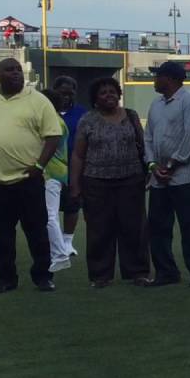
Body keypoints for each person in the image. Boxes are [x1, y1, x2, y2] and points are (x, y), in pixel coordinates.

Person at [0, 59, 62, 293]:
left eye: (17, 69)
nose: (15, 73)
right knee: (2, 236)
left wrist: (39, 165)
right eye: (9, 69)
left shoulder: (38, 100)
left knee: (36, 231)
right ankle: (6, 280)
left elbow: (52, 136)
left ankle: (43, 277)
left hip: (28, 180)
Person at [69, 77, 151, 288]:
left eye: (112, 91)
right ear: (95, 98)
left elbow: (143, 147)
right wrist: (75, 185)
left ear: (119, 94)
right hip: (96, 182)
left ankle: (138, 272)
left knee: (134, 227)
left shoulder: (131, 116)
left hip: (131, 179)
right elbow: (78, 155)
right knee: (99, 229)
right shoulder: (88, 120)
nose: (109, 95)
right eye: (103, 92)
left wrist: (149, 171)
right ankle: (100, 276)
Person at [145, 61, 190, 287]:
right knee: (158, 227)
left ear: (170, 79)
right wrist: (153, 165)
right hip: (159, 177)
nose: (154, 80)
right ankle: (166, 272)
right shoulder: (156, 104)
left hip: (185, 176)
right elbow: (149, 138)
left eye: (158, 76)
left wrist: (172, 164)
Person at [52, 75, 87, 262]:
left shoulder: (82, 112)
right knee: (50, 209)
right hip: (50, 169)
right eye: (62, 92)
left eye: (70, 92)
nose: (66, 96)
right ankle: (55, 243)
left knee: (72, 205)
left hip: (74, 168)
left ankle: (67, 242)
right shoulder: (45, 110)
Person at [39, 89, 72, 272]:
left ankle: (60, 255)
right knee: (49, 215)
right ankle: (57, 253)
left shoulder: (54, 122)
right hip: (53, 173)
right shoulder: (56, 120)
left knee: (50, 215)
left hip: (51, 174)